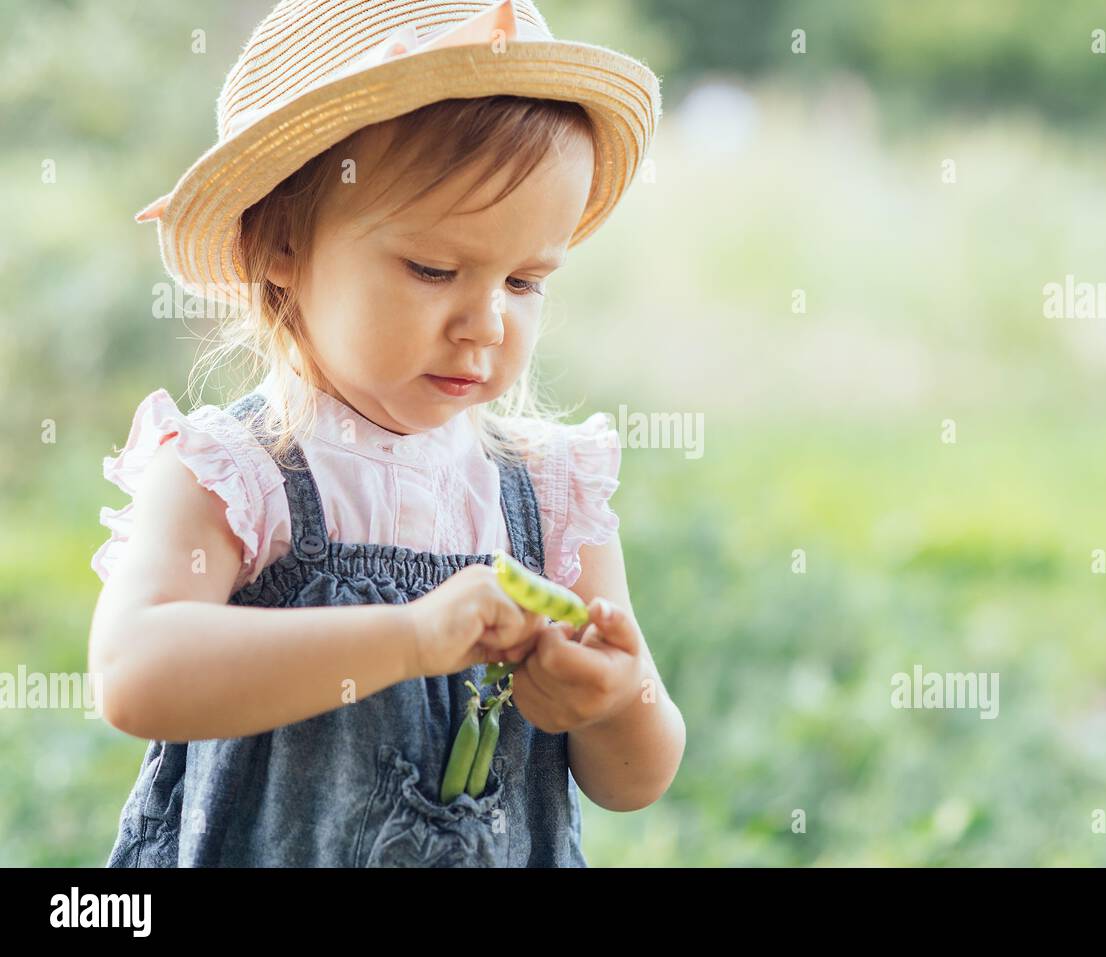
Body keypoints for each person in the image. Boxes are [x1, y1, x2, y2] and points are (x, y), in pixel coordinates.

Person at [88, 0, 684, 867]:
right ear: (279, 241)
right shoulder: (235, 478)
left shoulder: (549, 496)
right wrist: (408, 638)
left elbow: (634, 778)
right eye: (434, 269)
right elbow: (134, 673)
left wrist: (611, 697)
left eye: (525, 281)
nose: (485, 323)